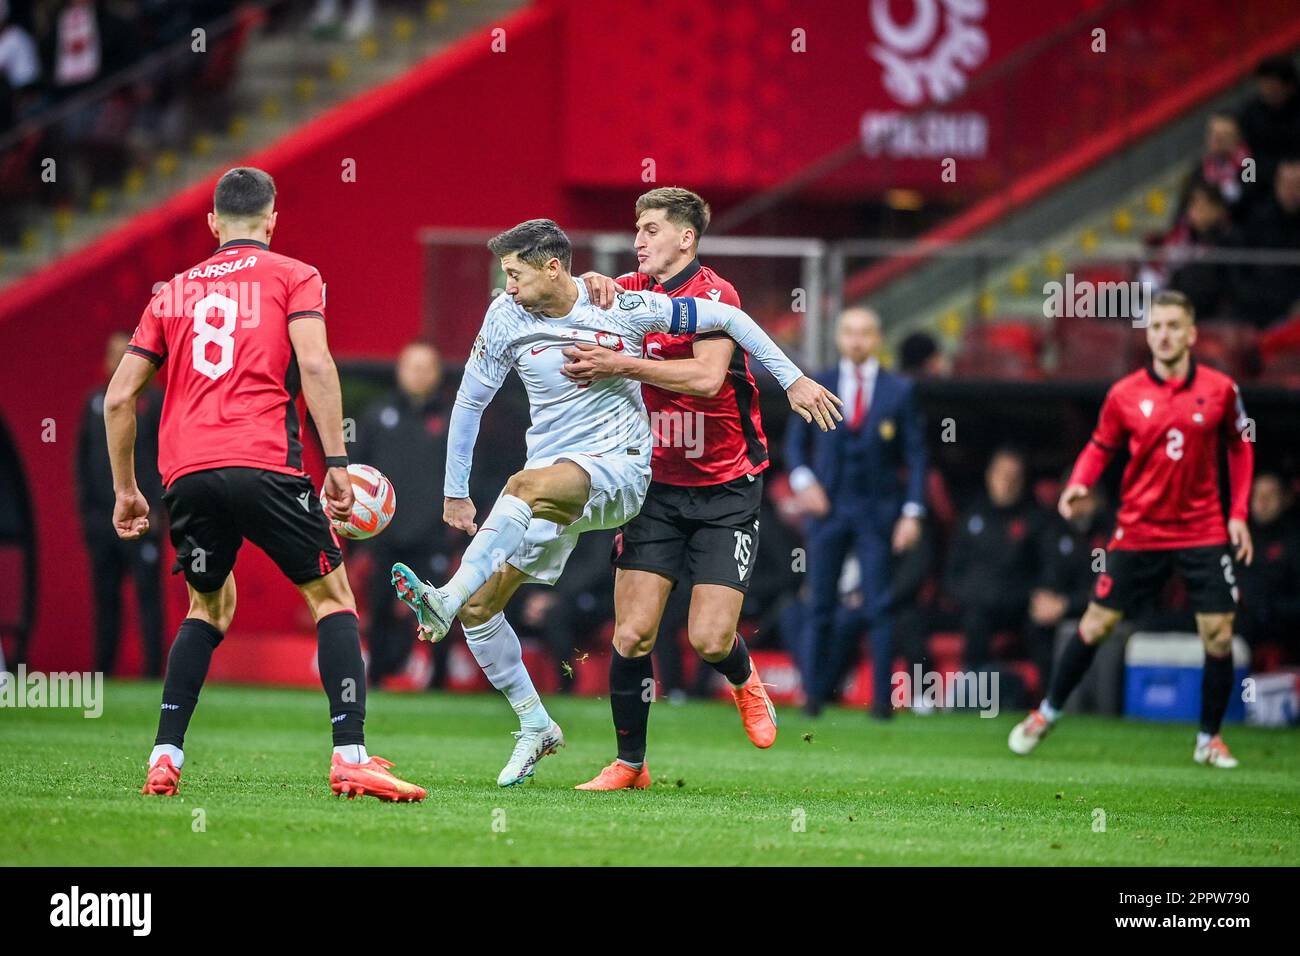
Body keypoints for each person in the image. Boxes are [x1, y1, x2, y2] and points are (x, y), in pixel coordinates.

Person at [388, 218, 839, 787]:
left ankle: (443, 598)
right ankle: (538, 726)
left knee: (705, 635)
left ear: (552, 267)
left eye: (515, 274)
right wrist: (454, 492)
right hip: (565, 480)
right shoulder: (518, 313)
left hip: (627, 471)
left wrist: (793, 379)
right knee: (493, 611)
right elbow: (469, 405)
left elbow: (725, 332)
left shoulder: (627, 308)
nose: (508, 287)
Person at [107, 166, 425, 801]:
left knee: (208, 607)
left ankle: (164, 758)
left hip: (187, 475)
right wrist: (336, 463)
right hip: (264, 464)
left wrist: (126, 490)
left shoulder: (170, 292)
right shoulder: (294, 275)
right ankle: (349, 755)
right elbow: (313, 362)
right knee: (332, 597)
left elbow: (119, 399)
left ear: (212, 224)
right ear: (273, 219)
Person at [560, 186, 784, 790]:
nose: (639, 240)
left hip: (726, 486)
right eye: (637, 228)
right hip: (653, 487)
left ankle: (742, 679)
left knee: (709, 638)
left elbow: (709, 380)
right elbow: (576, 301)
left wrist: (621, 365)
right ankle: (629, 765)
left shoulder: (715, 296)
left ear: (686, 238)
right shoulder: (629, 292)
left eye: (652, 229)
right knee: (631, 633)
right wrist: (563, 288)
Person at [1009, 290, 1255, 768]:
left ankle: (1209, 738)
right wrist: (1079, 483)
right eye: (1156, 326)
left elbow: (1241, 448)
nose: (1163, 334)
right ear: (1149, 334)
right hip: (1140, 529)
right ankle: (1046, 712)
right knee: (1096, 624)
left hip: (1202, 529)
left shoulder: (1222, 390)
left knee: (1219, 634)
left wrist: (1238, 513)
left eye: (1172, 326)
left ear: (1191, 333)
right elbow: (1100, 446)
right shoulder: (1124, 394)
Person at [786, 307, 927, 718]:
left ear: (877, 338)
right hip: (828, 508)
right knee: (820, 603)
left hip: (877, 510)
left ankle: (882, 702)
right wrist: (802, 482)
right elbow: (795, 445)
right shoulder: (818, 384)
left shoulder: (900, 391)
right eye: (850, 332)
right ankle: (812, 698)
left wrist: (912, 512)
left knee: (879, 605)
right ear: (839, 338)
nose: (857, 340)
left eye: (865, 332)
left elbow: (917, 456)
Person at [350, 341, 452, 686]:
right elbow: (355, 472)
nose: (419, 374)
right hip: (385, 535)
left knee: (438, 608)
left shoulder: (453, 419)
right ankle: (376, 677)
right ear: (400, 371)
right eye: (412, 366)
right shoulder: (378, 416)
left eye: (426, 367)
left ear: (438, 374)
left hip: (434, 536)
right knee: (379, 607)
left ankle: (439, 681)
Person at [77, 330, 164, 677]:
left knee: (148, 598)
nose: (117, 360)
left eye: (123, 352)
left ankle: (153, 673)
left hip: (145, 518)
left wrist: (159, 509)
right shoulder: (94, 403)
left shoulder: (153, 402)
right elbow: (83, 463)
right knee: (106, 598)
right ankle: (103, 672)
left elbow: (164, 457)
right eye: (112, 353)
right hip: (102, 521)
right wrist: (87, 514)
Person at [943, 447, 1048, 674]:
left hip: (1021, 606)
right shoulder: (972, 516)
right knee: (974, 622)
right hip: (978, 606)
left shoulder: (1036, 520)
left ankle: (1049, 701)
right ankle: (974, 695)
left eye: (1014, 476)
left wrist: (1034, 595)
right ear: (989, 475)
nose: (1007, 482)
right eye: (1002, 475)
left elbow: (1047, 569)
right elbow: (953, 572)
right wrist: (970, 596)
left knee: (1042, 627)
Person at [1237, 472, 1300, 663]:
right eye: (1256, 495)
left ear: (1286, 499)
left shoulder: (1294, 542)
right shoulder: (1239, 538)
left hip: (1280, 632)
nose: (1262, 501)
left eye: (1270, 495)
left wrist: (1268, 610)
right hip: (1236, 624)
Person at [1233, 157, 1300, 327]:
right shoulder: (1259, 219)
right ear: (1277, 184)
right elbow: (1242, 268)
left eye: (1297, 185)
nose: (1291, 191)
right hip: (1260, 306)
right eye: (1287, 184)